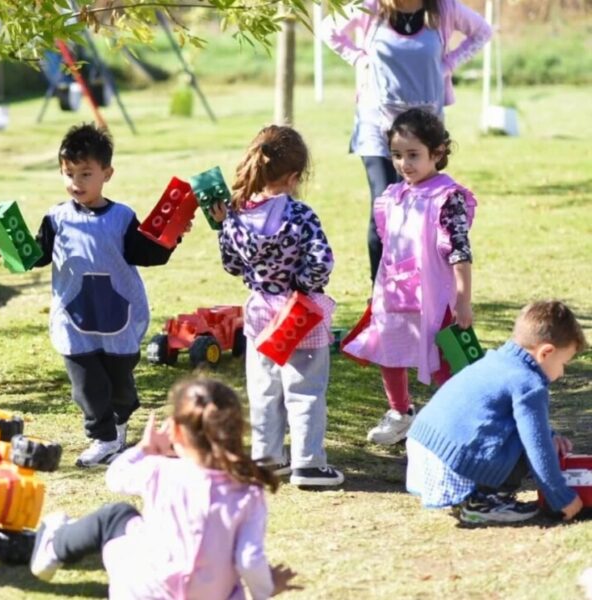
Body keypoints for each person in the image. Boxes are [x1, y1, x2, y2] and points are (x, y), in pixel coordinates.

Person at [0, 123, 178, 467]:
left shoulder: (122, 217)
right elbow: (37, 254)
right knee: (86, 383)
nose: (75, 183)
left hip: (118, 315)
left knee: (119, 383)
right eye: (68, 173)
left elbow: (148, 253)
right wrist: (9, 250)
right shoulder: (57, 218)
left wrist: (172, 236)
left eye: (85, 174)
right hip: (74, 318)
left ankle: (119, 419)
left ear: (107, 174)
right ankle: (104, 437)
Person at [29, 376, 295, 599]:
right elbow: (248, 559)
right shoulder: (247, 491)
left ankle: (53, 546)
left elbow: (115, 477)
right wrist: (266, 589)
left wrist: (144, 449)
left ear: (176, 433)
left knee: (116, 516)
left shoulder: (159, 470)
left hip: (143, 590)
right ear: (237, 431)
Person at [210, 125, 343, 487]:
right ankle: (309, 464)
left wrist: (224, 229)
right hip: (299, 315)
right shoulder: (300, 216)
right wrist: (299, 286)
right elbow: (321, 262)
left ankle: (268, 458)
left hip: (259, 313)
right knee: (305, 389)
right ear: (295, 176)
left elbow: (232, 265)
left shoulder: (236, 217)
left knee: (265, 389)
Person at [321, 0, 490, 284]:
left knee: (423, 208)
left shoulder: (443, 9)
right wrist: (360, 60)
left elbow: (482, 31)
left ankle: (419, 287)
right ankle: (380, 293)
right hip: (377, 124)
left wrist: (448, 63)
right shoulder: (371, 7)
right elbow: (329, 30)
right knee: (383, 204)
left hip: (424, 129)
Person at [342, 108, 477, 446]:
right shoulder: (392, 197)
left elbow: (460, 251)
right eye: (397, 155)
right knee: (390, 351)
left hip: (435, 296)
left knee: (446, 359)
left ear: (438, 152)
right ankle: (400, 413)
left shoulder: (448, 198)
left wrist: (463, 300)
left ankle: (454, 419)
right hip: (395, 296)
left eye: (413, 155)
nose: (404, 163)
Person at [406, 300, 588, 524]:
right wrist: (561, 497)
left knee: (525, 437)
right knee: (529, 446)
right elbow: (536, 444)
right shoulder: (529, 383)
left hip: (426, 447)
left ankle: (475, 496)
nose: (562, 372)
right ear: (546, 353)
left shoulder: (498, 360)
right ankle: (485, 502)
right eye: (563, 363)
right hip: (450, 461)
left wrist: (551, 436)